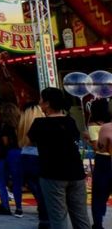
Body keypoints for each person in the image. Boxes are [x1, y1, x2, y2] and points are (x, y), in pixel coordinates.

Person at [28, 87, 91, 229]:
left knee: (58, 217)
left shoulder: (39, 123)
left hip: (52, 174)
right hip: (76, 173)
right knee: (81, 216)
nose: (39, 102)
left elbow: (29, 141)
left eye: (41, 99)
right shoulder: (70, 121)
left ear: (47, 103)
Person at [0, 102, 23, 217]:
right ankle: (19, 208)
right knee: (17, 182)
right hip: (19, 153)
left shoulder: (1, 127)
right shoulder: (20, 125)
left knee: (1, 183)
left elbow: (1, 144)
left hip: (4, 155)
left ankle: (5, 205)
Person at [18, 101, 48, 229]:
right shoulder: (44, 122)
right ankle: (45, 215)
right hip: (40, 156)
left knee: (36, 188)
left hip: (26, 155)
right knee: (44, 189)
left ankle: (43, 214)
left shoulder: (23, 123)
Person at [87, 98, 112, 229]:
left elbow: (98, 147)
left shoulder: (93, 125)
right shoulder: (109, 124)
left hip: (103, 161)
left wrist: (88, 139)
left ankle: (98, 224)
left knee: (98, 195)